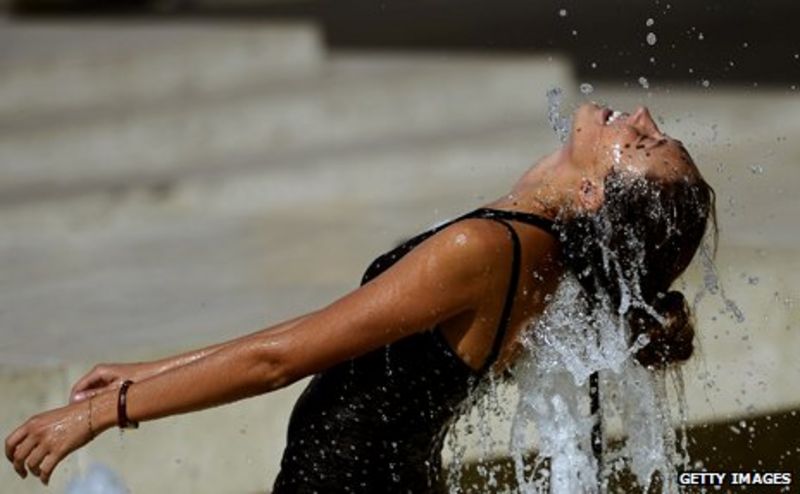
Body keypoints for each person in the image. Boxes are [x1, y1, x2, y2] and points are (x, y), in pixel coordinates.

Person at [4, 104, 715, 492]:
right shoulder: (532, 252)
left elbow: (277, 363)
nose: (643, 115)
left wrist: (108, 412)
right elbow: (320, 333)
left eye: (645, 144)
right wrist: (150, 370)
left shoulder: (489, 250)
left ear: (593, 195)